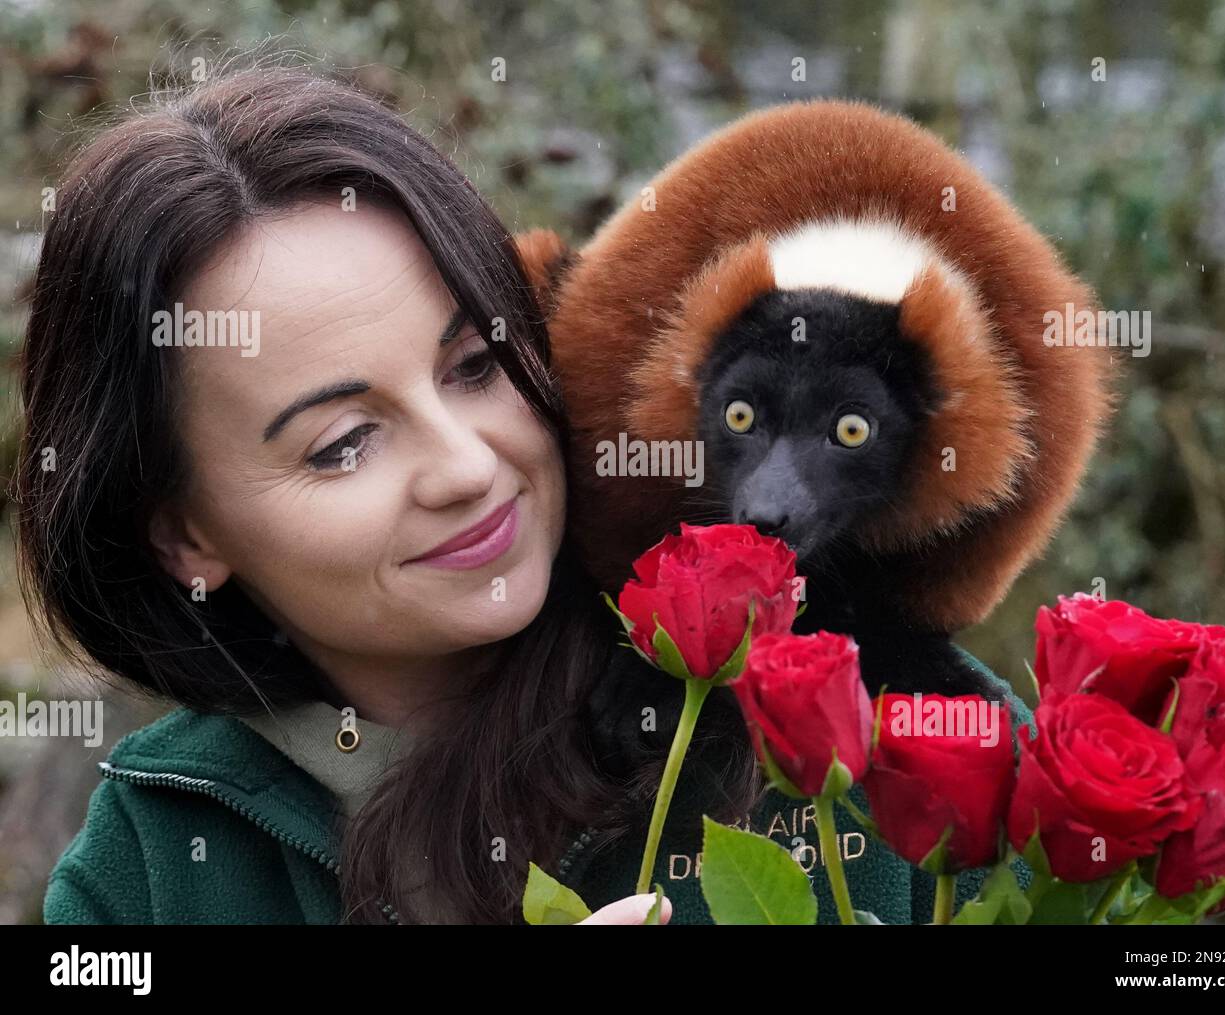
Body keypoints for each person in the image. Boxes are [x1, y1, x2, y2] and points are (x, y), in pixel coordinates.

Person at [22, 63, 1030, 925]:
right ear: (186, 536)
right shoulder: (157, 857)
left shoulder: (880, 737)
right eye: (344, 442)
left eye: (474, 366)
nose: (467, 465)